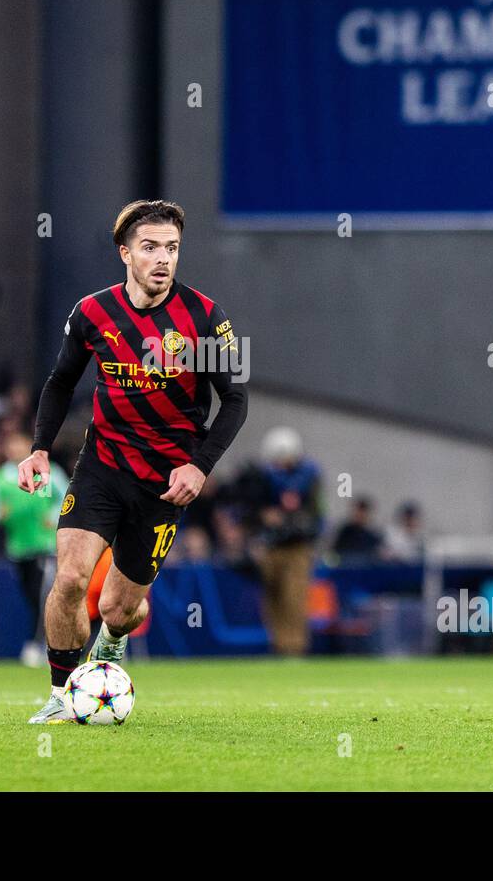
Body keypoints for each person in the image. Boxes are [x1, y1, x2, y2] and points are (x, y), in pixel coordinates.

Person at [18, 200, 249, 723]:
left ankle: (110, 647)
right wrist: (38, 449)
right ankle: (61, 692)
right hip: (101, 466)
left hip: (165, 483)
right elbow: (60, 382)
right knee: (72, 578)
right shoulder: (92, 312)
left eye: (171, 248)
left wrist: (200, 466)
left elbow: (235, 399)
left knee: (119, 610)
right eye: (150, 248)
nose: (162, 258)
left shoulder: (204, 318)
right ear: (125, 254)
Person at [0, 432, 67, 667]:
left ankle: (37, 646)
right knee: (31, 597)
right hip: (18, 548)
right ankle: (47, 644)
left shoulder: (49, 472)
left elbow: (67, 497)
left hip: (46, 546)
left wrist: (53, 515)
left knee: (43, 596)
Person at [245, 427, 322, 656]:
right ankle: (279, 645)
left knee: (294, 598)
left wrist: (295, 522)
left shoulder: (309, 476)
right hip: (271, 546)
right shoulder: (264, 476)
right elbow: (252, 509)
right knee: (272, 597)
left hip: (297, 546)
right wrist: (264, 516)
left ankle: (295, 648)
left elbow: (317, 513)